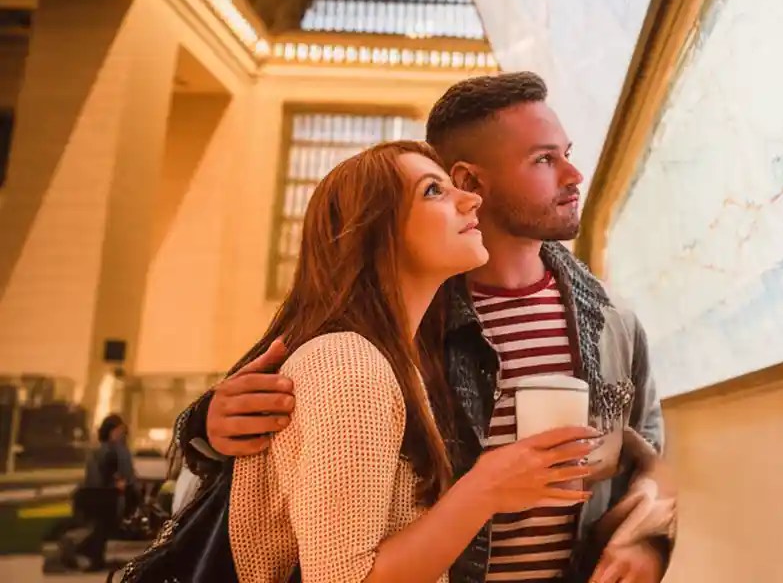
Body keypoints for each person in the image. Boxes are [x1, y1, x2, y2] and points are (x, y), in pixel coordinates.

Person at [177, 74, 676, 582]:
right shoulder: (388, 330)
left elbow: (650, 458)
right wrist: (209, 426)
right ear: (474, 181)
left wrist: (647, 537)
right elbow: (278, 502)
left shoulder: (612, 321)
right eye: (544, 159)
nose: (574, 174)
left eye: (565, 152)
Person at [221, 140, 599, 582]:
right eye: (433, 191)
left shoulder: (388, 358)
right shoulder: (349, 364)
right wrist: (486, 488)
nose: (471, 198)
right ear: (375, 233)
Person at [76, 413, 136, 571]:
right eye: (118, 431)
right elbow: (120, 474)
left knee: (102, 528)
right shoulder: (111, 450)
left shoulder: (105, 449)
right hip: (105, 495)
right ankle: (88, 552)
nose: (120, 434)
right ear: (111, 431)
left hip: (104, 494)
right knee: (104, 526)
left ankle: (93, 556)